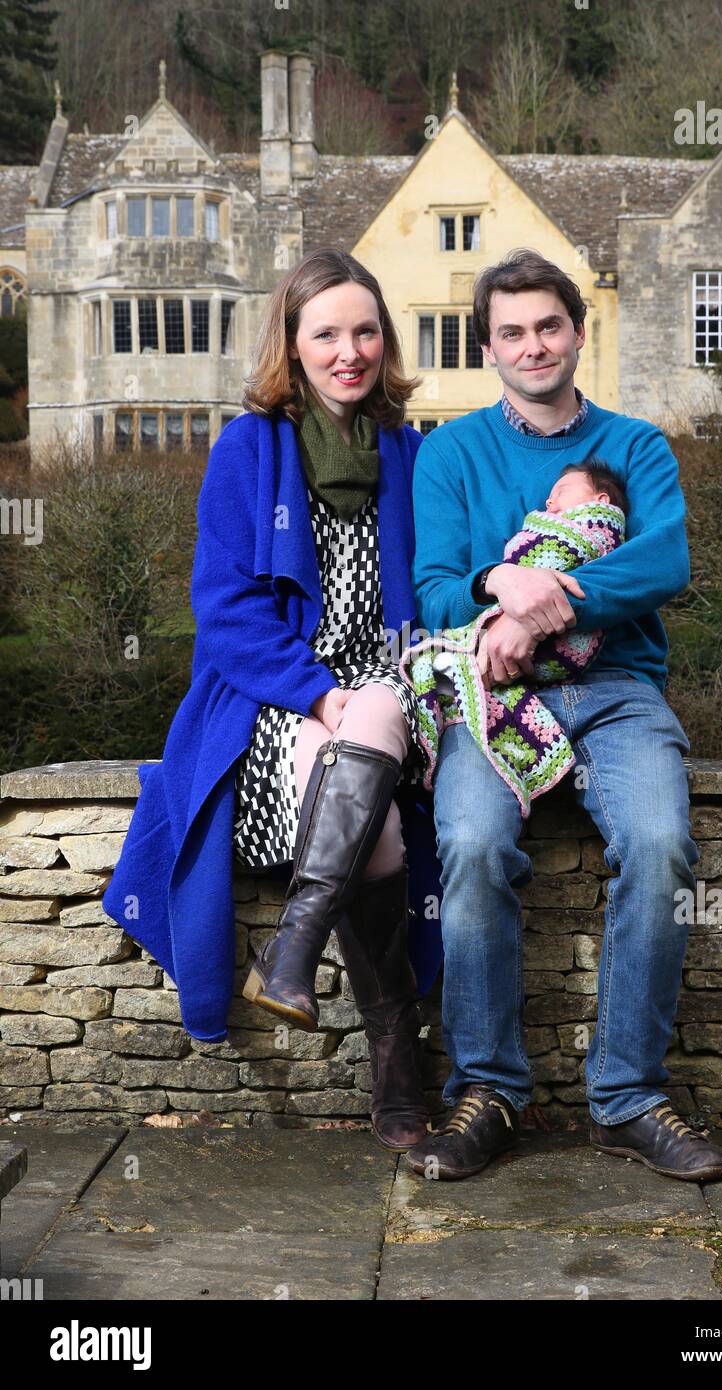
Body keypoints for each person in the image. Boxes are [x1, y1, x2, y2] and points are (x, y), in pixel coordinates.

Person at [404, 247, 722, 1184]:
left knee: (662, 842)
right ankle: (490, 1093)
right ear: (487, 347)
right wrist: (489, 583)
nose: (533, 344)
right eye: (511, 331)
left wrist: (538, 594)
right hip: (495, 699)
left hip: (618, 692)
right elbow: (432, 591)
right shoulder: (450, 452)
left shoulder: (637, 446)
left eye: (550, 325)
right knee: (468, 844)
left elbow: (663, 565)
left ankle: (627, 1097)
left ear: (579, 333)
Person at [103, 248, 440, 1153]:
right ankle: (395, 1064)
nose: (350, 351)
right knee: (385, 834)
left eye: (365, 330)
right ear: (291, 345)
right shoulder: (249, 447)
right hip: (272, 702)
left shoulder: (410, 450)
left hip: (391, 694)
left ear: (385, 339)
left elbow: (432, 596)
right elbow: (224, 610)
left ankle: (291, 955)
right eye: (326, 332)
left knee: (378, 710)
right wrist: (318, 692)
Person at [398, 459, 627, 815]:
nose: (550, 503)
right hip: (517, 660)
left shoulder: (591, 534)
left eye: (561, 492)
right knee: (473, 837)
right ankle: (450, 687)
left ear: (599, 501)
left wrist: (528, 617)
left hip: (585, 669)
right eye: (550, 497)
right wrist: (499, 579)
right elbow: (435, 593)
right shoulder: (448, 452)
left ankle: (454, 684)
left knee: (453, 664)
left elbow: (555, 561)